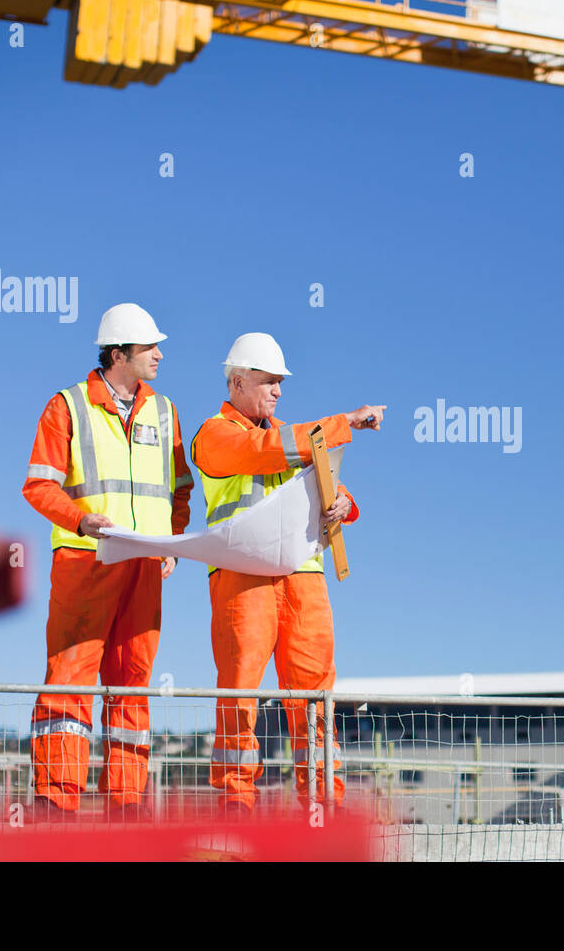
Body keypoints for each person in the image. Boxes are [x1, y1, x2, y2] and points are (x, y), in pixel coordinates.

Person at [191, 332, 384, 817]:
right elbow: (262, 451)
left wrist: (345, 503)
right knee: (240, 691)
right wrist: (346, 422)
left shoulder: (289, 437)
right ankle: (236, 810)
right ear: (237, 381)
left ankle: (322, 810)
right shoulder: (214, 434)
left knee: (315, 698)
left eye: (281, 382)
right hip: (243, 577)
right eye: (269, 381)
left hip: (303, 580)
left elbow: (334, 486)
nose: (278, 390)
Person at [21, 302, 194, 822]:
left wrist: (171, 543)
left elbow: (181, 489)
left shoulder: (164, 411)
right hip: (84, 558)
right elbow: (38, 486)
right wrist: (80, 520)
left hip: (143, 563)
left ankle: (127, 804)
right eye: (150, 348)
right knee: (71, 677)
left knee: (133, 680)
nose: (160, 355)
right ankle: (56, 804)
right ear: (119, 355)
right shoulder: (67, 406)